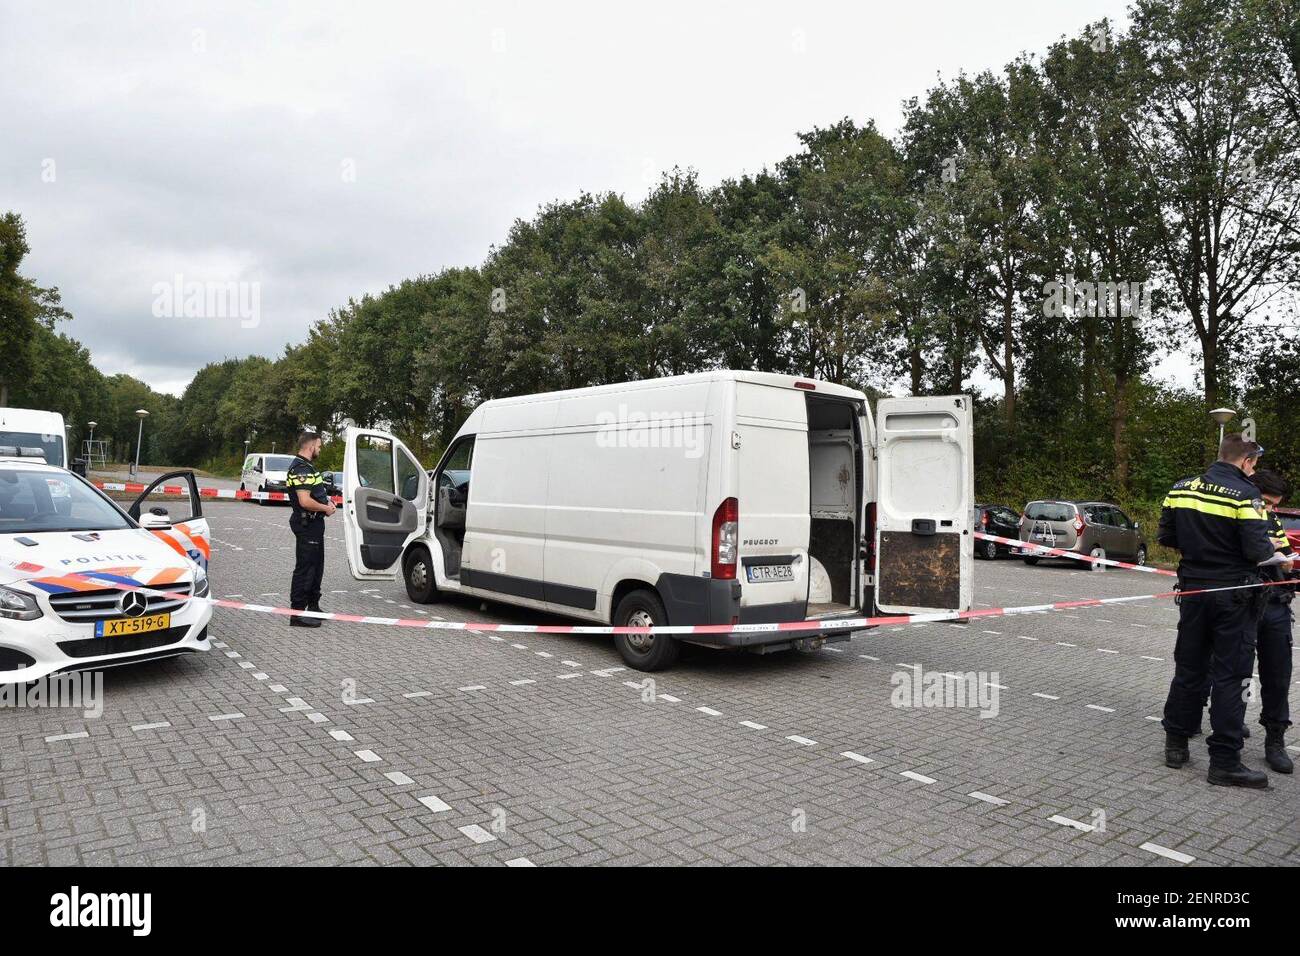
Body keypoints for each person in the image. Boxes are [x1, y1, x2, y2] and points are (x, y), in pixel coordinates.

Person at [1158, 433, 1276, 787]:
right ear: (1245, 461)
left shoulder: (1180, 488)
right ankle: (1224, 760)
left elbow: (1166, 537)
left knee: (1189, 668)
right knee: (1232, 676)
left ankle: (1176, 744)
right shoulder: (1247, 495)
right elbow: (1258, 552)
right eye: (1253, 464)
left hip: (1193, 590)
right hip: (1234, 596)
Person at [1248, 468, 1295, 773]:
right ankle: (1229, 726)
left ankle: (1275, 740)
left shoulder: (1271, 519)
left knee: (1278, 675)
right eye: (1266, 502)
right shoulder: (1238, 513)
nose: (1270, 509)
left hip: (1276, 602)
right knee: (1233, 671)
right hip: (1243, 602)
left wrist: (1286, 559)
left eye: (1274, 505)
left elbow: (1288, 558)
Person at [285, 430, 335, 627]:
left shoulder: (307, 467)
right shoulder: (301, 469)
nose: (320, 449)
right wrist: (326, 508)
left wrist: (326, 501)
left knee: (317, 566)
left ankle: (313, 606)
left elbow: (314, 494)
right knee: (305, 568)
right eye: (319, 446)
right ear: (311, 445)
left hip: (315, 524)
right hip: (307, 523)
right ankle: (297, 614)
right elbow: (304, 501)